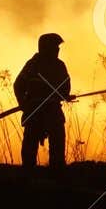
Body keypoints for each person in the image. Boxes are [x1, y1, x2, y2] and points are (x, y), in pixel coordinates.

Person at [14, 32, 72, 169]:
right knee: (30, 144)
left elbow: (65, 87)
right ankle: (28, 172)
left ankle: (57, 170)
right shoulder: (32, 65)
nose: (58, 49)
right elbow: (18, 85)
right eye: (55, 47)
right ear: (46, 48)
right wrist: (23, 104)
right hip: (34, 111)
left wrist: (64, 95)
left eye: (58, 47)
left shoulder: (59, 66)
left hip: (52, 110)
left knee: (57, 138)